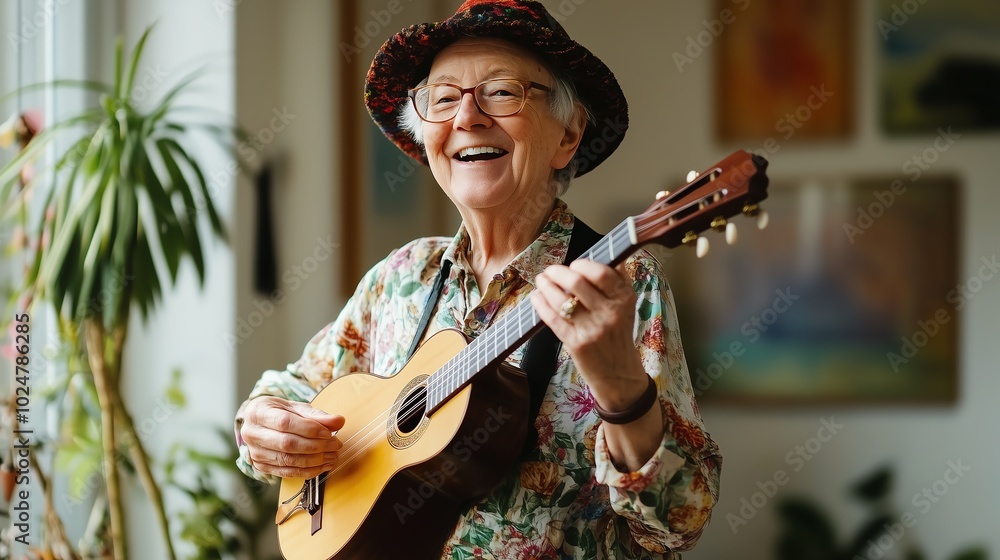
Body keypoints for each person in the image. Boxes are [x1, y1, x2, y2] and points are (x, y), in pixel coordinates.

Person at [234, 1, 721, 557]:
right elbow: (290, 392)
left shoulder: (622, 281)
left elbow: (678, 524)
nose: (467, 117)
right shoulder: (400, 276)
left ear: (569, 133)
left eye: (502, 92)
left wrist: (621, 390)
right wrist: (262, 425)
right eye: (443, 99)